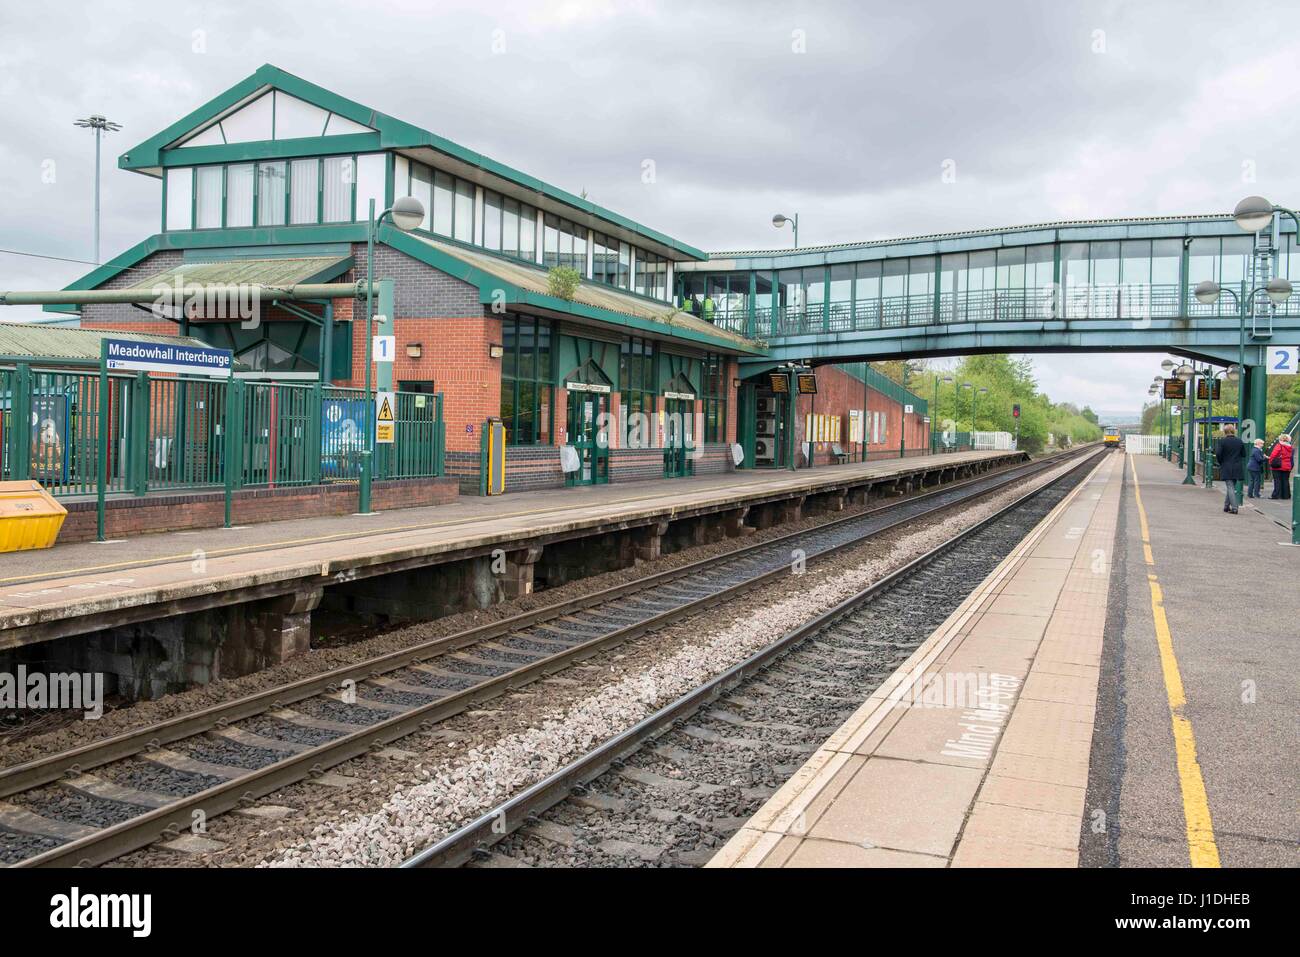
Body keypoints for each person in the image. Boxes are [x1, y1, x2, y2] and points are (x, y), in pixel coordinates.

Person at [1213, 424, 1245, 514]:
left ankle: (1234, 508)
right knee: (1231, 486)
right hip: (1237, 467)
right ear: (1234, 431)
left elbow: (1218, 454)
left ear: (1225, 432)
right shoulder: (1239, 441)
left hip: (1226, 466)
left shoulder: (1222, 442)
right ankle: (1226, 506)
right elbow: (1244, 454)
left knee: (1230, 487)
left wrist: (1221, 462)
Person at [1267, 433, 1294, 500]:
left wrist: (1270, 462)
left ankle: (1276, 495)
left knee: (1277, 480)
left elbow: (1273, 455)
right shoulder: (1290, 447)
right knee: (1285, 480)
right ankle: (1286, 495)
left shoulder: (1279, 446)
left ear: (1280, 439)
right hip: (1287, 465)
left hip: (1278, 465)